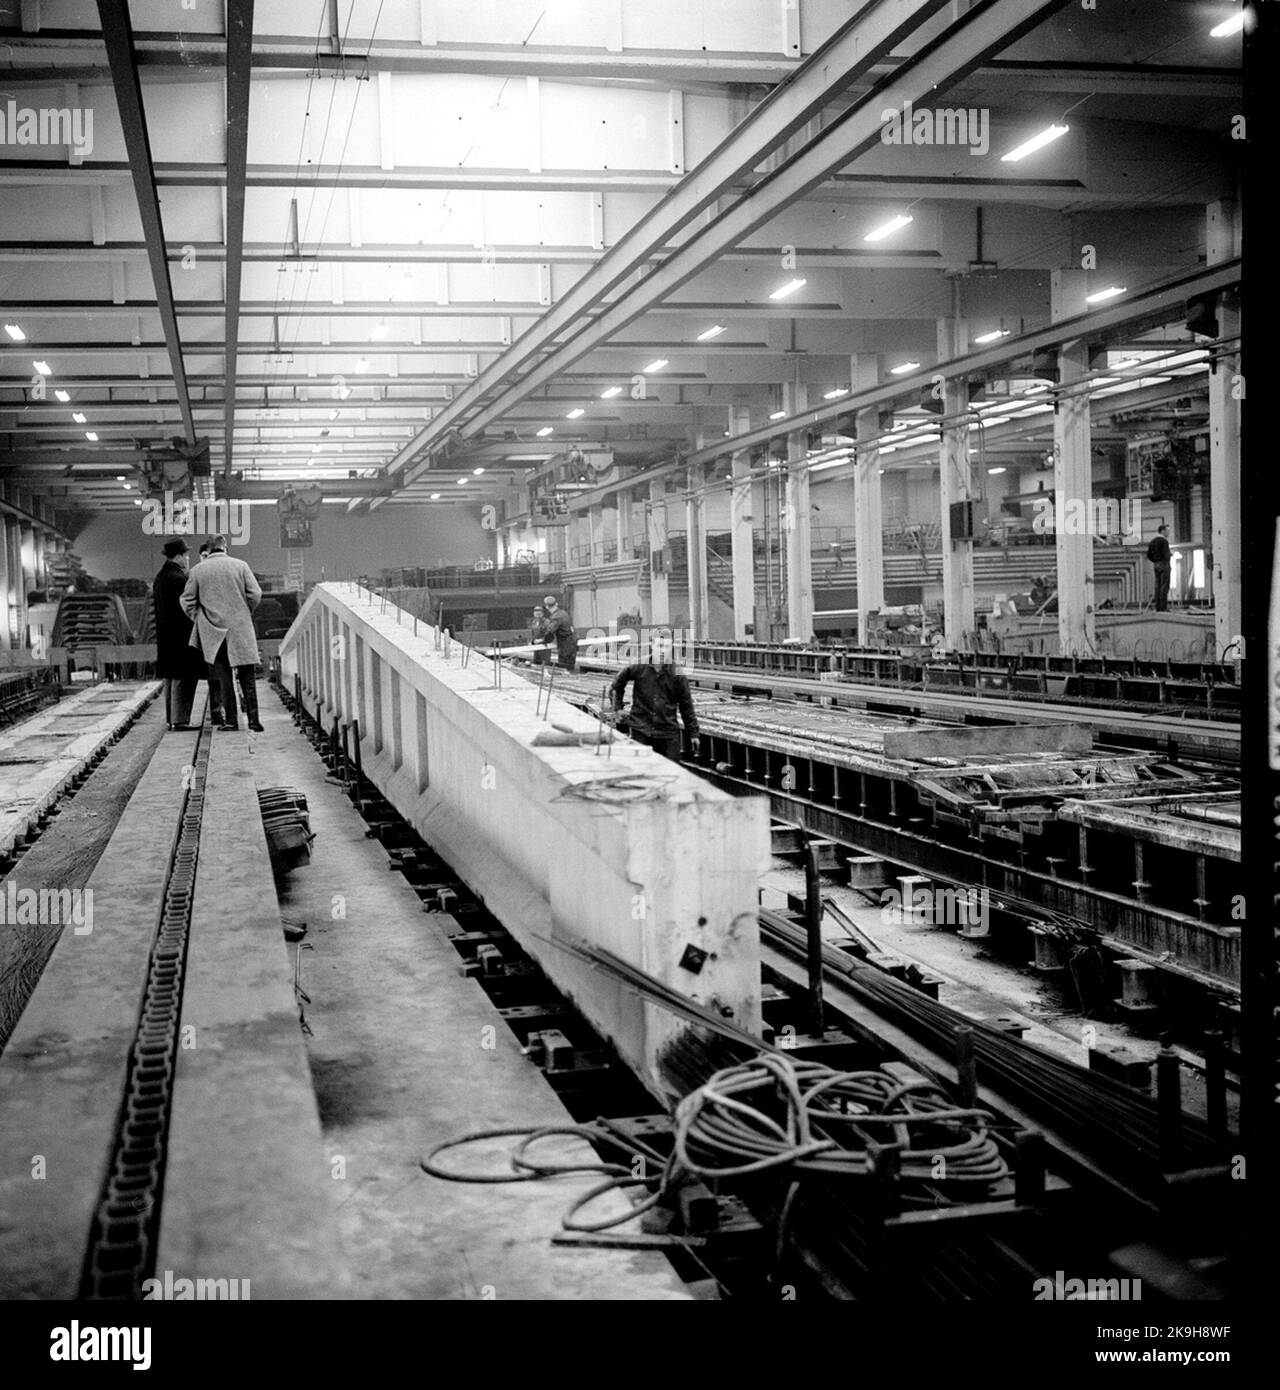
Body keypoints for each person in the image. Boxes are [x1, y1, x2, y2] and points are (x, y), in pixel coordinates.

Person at [180, 535, 264, 731]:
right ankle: (253, 720)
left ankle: (231, 721)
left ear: (208, 550)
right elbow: (256, 594)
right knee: (247, 676)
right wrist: (244, 611)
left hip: (214, 631)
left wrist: (199, 619)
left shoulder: (197, 571)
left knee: (224, 677)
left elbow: (186, 601)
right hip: (240, 628)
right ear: (225, 547)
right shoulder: (241, 565)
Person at [610, 632, 700, 763]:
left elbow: (686, 705)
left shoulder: (678, 674)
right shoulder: (639, 666)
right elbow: (617, 684)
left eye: (667, 646)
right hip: (641, 730)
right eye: (660, 645)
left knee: (673, 772)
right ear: (652, 646)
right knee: (641, 770)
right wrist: (617, 708)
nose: (663, 650)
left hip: (667, 733)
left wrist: (693, 733)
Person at [152, 538, 204, 730]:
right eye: (186, 555)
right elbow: (186, 608)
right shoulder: (177, 579)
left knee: (171, 680)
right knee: (184, 679)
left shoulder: (160, 577)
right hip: (181, 638)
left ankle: (172, 719)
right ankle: (181, 721)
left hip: (166, 639)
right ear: (179, 556)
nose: (188, 559)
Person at [190, 542, 224, 724]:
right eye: (202, 555)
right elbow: (188, 600)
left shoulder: (215, 573)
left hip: (223, 629)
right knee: (213, 673)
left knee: (221, 673)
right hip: (207, 631)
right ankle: (217, 712)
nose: (205, 559)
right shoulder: (196, 573)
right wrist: (199, 618)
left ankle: (222, 710)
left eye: (207, 555)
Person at [540, 594, 578, 673]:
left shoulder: (556, 617)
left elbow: (550, 632)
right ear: (556, 604)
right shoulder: (563, 613)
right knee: (570, 668)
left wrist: (544, 641)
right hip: (572, 643)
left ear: (547, 607)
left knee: (565, 669)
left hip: (565, 646)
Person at [1147, 524, 1171, 612]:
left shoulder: (1152, 541)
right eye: (1167, 531)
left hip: (1156, 565)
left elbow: (1149, 555)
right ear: (1162, 531)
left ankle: (1158, 607)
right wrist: (1169, 555)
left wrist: (1156, 560)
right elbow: (1166, 554)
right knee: (1165, 586)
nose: (1169, 533)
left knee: (1158, 586)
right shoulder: (1164, 541)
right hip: (1164, 564)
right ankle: (1163, 607)